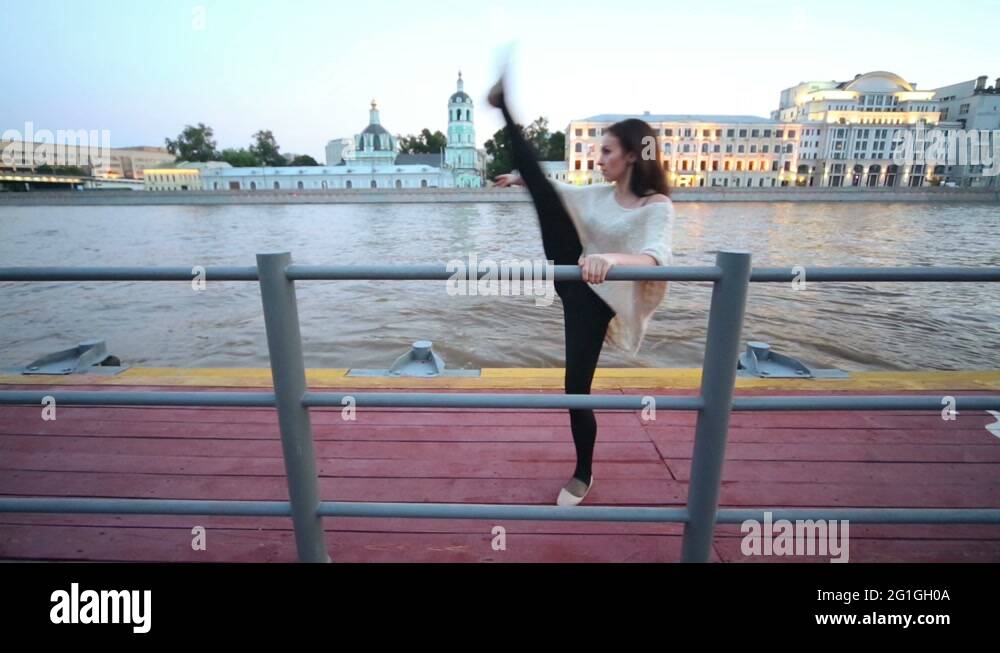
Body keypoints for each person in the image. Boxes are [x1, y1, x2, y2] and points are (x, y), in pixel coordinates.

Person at [487, 70, 675, 506]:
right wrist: (522, 179)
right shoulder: (598, 195)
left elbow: (656, 257)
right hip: (572, 273)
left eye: (606, 151)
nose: (599, 159)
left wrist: (611, 260)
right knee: (546, 196)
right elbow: (564, 192)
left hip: (595, 302)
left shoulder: (656, 206)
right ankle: (504, 106)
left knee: (575, 390)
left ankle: (582, 473)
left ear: (631, 155)